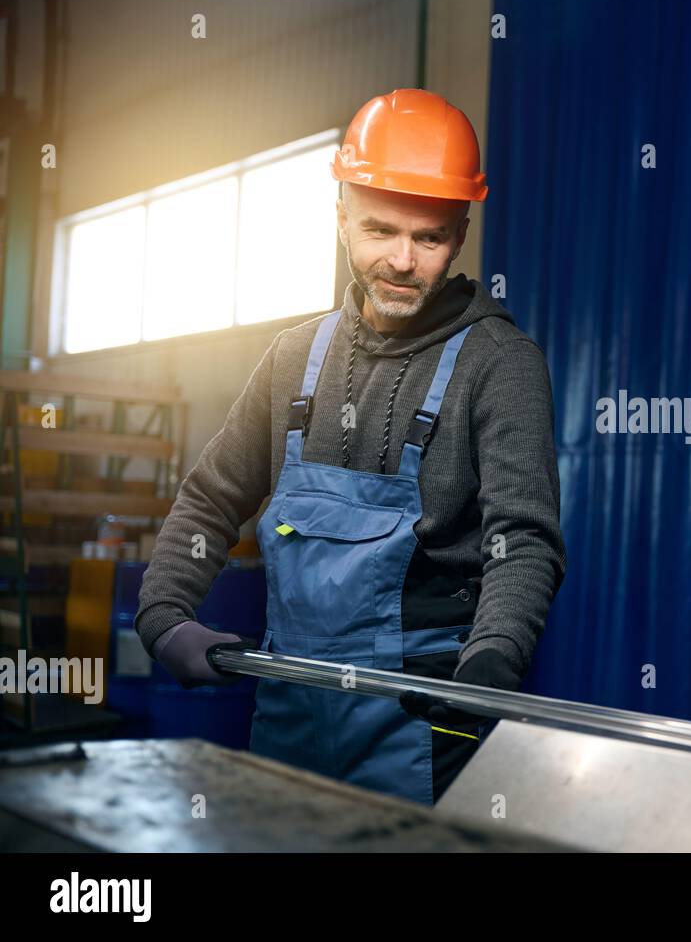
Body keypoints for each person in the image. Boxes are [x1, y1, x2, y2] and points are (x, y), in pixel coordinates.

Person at [135, 89, 565, 804]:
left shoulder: (502, 363)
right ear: (340, 220)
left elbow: (522, 542)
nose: (402, 259)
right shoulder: (291, 358)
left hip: (426, 722)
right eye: (379, 230)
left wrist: (490, 662)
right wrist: (164, 614)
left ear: (458, 234)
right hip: (291, 711)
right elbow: (212, 500)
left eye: (428, 237)